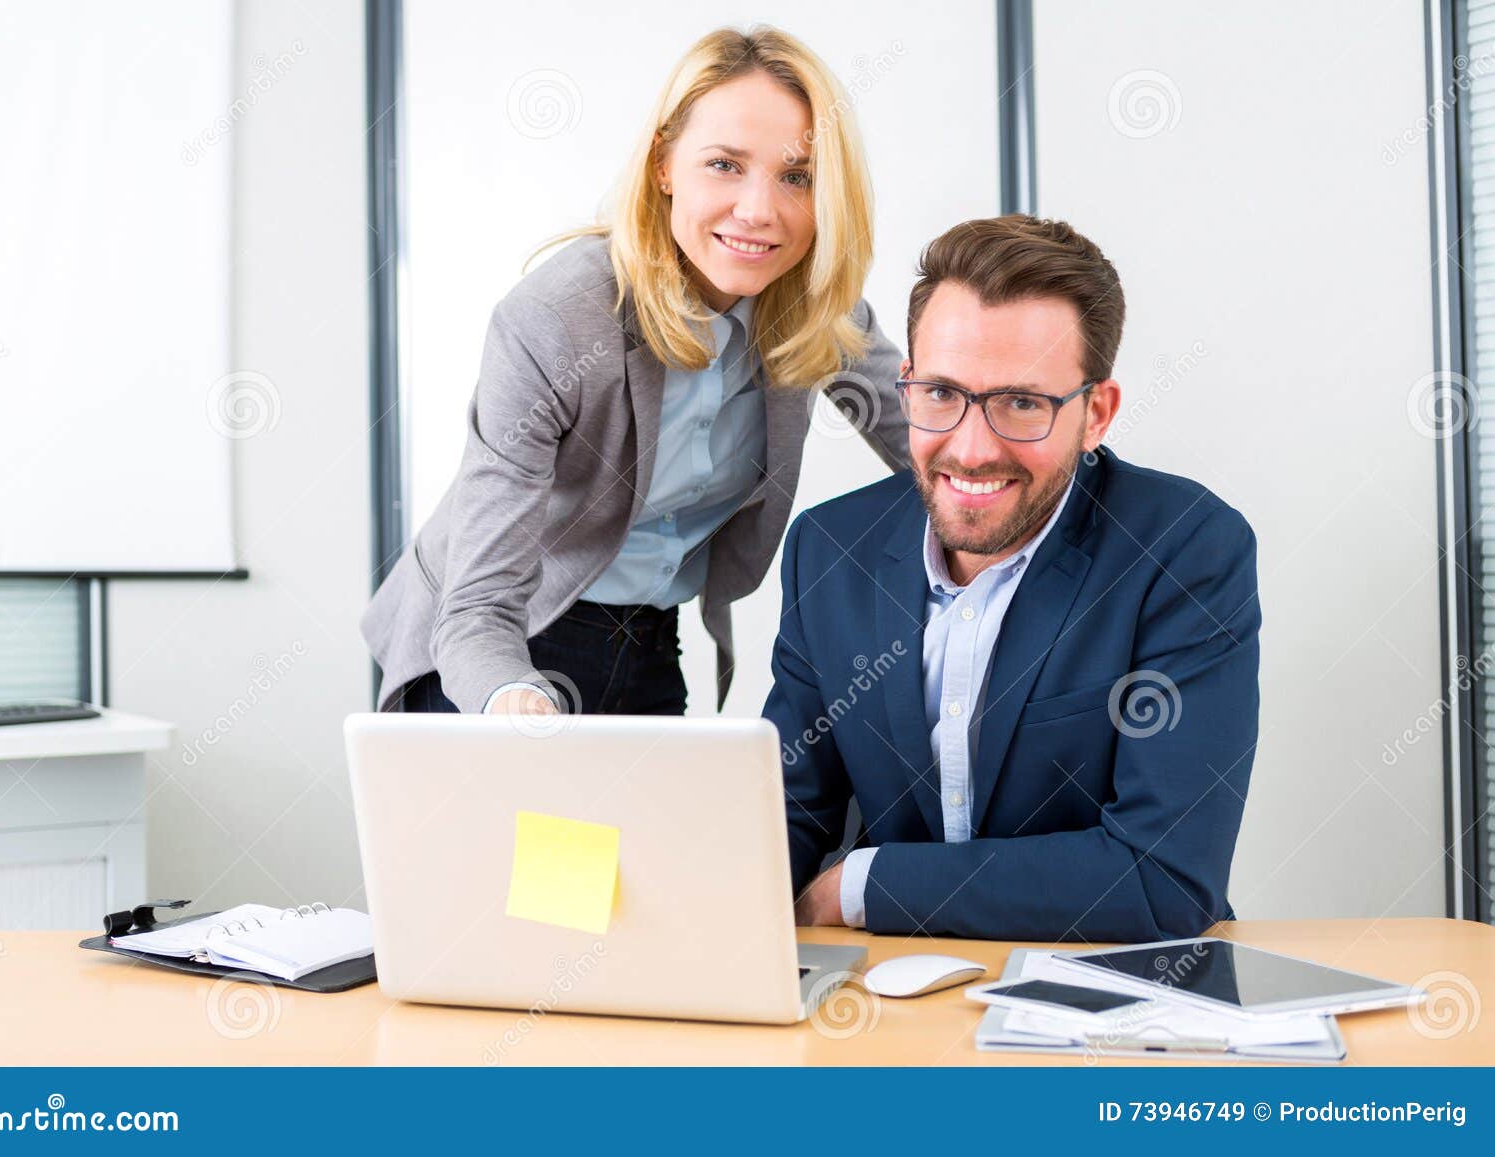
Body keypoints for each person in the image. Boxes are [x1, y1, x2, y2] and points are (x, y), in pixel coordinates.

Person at [362, 25, 910, 717]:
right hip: (498, 646)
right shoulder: (556, 320)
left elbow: (938, 442)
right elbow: (478, 607)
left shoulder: (818, 310)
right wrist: (512, 700)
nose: (758, 210)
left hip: (652, 643)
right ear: (663, 165)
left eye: (796, 176)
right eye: (724, 164)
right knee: (529, 830)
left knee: (649, 829)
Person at [768, 215, 1260, 942]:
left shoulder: (1183, 550)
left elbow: (1163, 877)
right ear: (904, 387)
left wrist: (861, 885)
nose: (971, 448)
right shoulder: (830, 549)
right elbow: (785, 816)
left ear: (1096, 413)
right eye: (940, 393)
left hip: (1108, 1002)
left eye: (1021, 403)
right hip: (891, 1004)